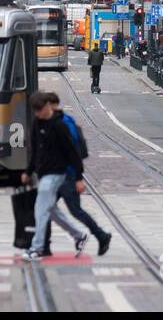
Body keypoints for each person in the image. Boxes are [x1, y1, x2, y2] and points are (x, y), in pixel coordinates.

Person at [37, 93, 111, 256]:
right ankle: (45, 245)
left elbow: (73, 152)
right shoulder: (57, 122)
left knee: (74, 210)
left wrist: (77, 176)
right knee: (47, 209)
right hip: (57, 174)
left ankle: (101, 235)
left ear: (51, 105)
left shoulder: (63, 123)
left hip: (66, 175)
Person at [21, 91, 89, 261]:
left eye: (39, 110)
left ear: (47, 107)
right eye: (35, 111)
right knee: (51, 211)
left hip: (56, 173)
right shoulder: (37, 123)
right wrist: (28, 171)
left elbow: (72, 152)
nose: (37, 114)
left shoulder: (59, 126)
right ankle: (79, 235)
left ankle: (36, 248)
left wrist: (79, 177)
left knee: (40, 210)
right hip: (43, 174)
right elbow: (35, 150)